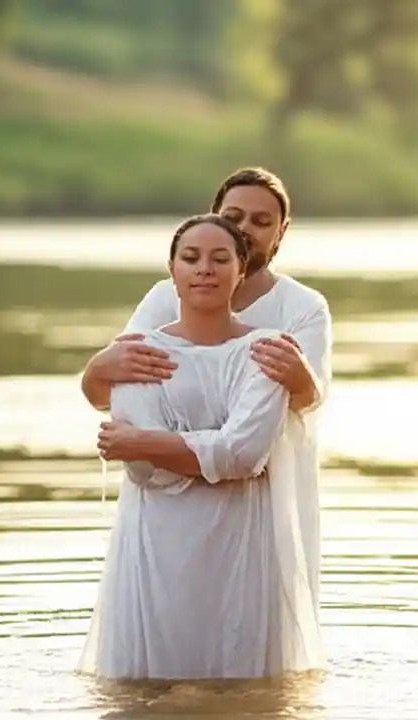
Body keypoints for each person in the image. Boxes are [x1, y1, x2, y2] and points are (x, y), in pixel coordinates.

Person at [77, 214, 323, 679]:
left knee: (241, 677)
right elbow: (143, 472)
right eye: (190, 258)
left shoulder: (267, 349)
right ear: (172, 272)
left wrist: (147, 442)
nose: (204, 269)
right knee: (144, 685)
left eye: (219, 258)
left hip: (240, 535)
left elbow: (246, 454)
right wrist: (206, 456)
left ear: (241, 270)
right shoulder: (138, 351)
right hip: (155, 536)